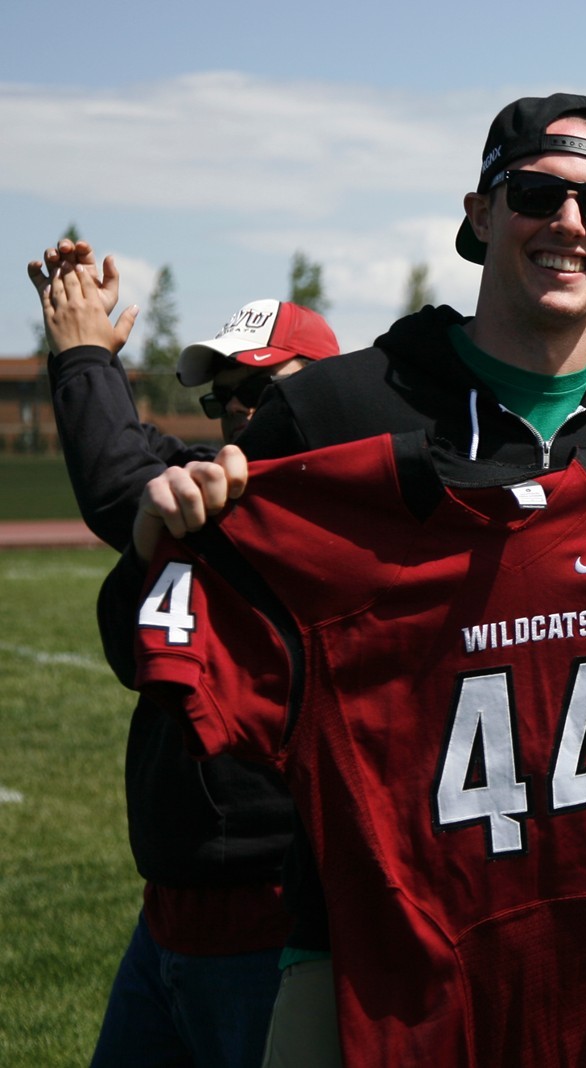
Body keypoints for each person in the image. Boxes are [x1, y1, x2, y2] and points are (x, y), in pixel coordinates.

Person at [105, 93, 586, 1068]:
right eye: (536, 194)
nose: (569, 223)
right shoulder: (337, 414)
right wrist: (157, 546)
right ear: (481, 212)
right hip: (378, 959)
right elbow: (156, 652)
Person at [31, 241, 337, 1068]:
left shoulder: (318, 510)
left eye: (259, 390)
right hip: (170, 918)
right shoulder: (229, 484)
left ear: (328, 392)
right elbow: (137, 457)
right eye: (222, 395)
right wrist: (96, 361)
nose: (236, 411)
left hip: (264, 927)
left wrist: (83, 357)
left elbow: (119, 479)